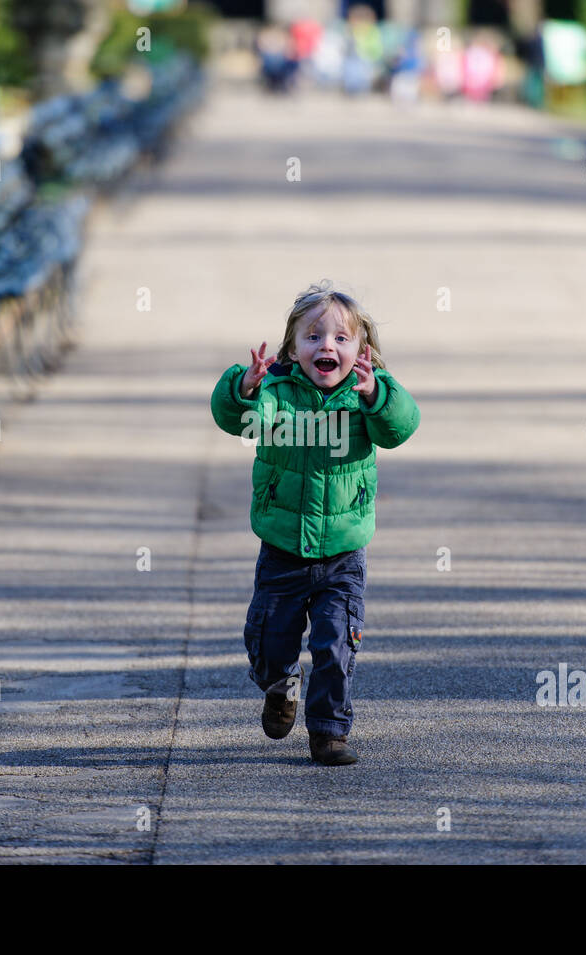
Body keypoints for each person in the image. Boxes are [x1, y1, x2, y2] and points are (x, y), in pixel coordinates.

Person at [210, 282, 420, 766]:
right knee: (269, 639)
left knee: (335, 642)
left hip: (343, 551)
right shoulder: (276, 394)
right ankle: (279, 685)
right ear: (291, 348)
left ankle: (329, 732)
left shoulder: (366, 397)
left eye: (341, 339)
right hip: (282, 546)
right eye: (313, 336)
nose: (327, 346)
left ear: (361, 352)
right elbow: (235, 418)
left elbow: (401, 427)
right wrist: (244, 389)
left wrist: (377, 394)